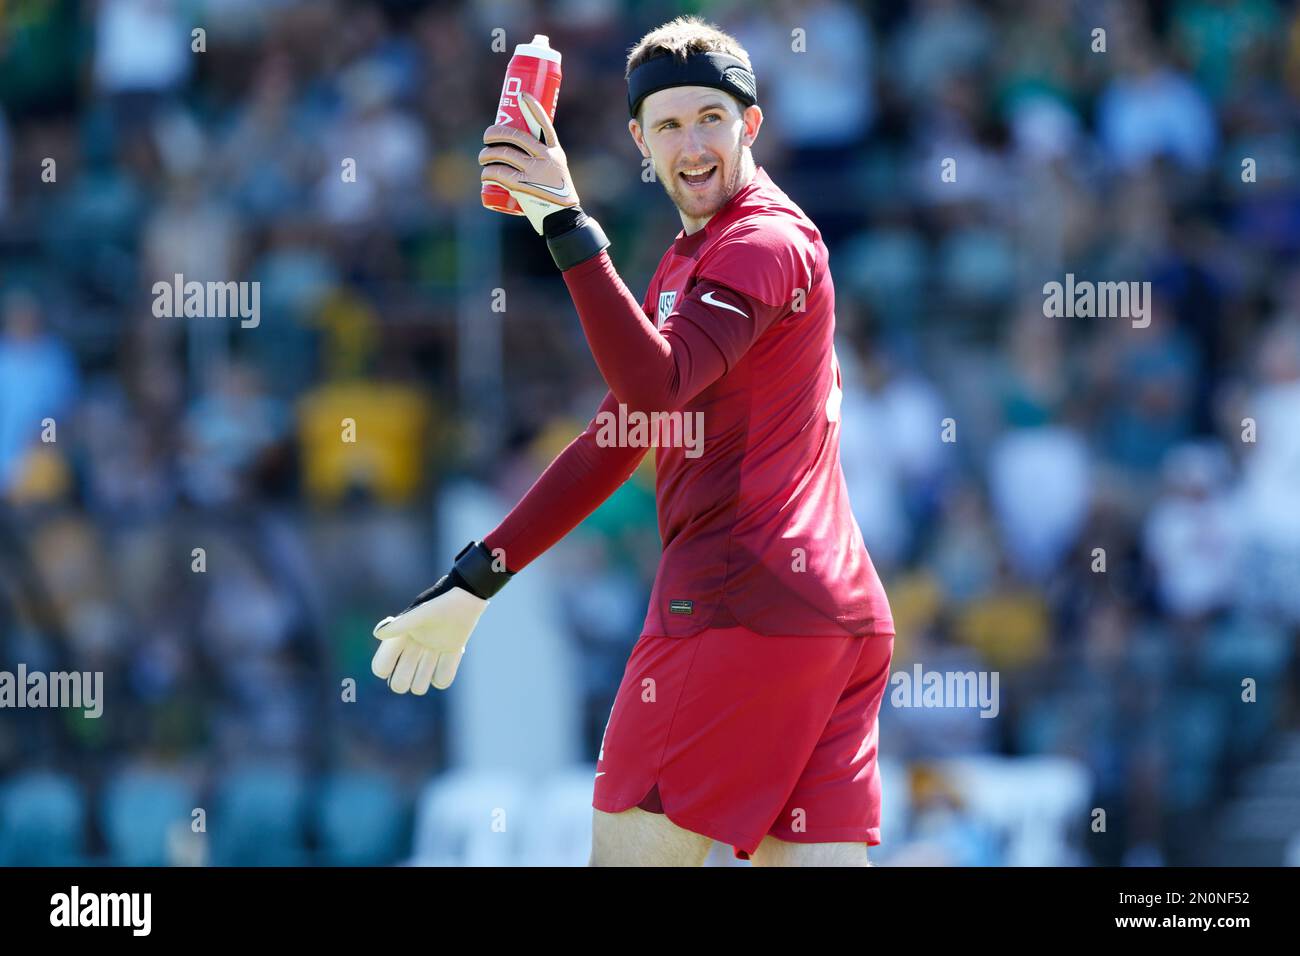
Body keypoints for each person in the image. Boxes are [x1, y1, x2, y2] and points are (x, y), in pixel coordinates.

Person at [372, 15, 895, 867]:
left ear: (750, 126)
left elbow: (654, 388)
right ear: (639, 144)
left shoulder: (759, 241)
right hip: (836, 624)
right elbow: (618, 437)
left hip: (735, 606)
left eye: (711, 118)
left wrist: (565, 224)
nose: (691, 144)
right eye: (668, 125)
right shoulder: (700, 258)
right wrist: (479, 577)